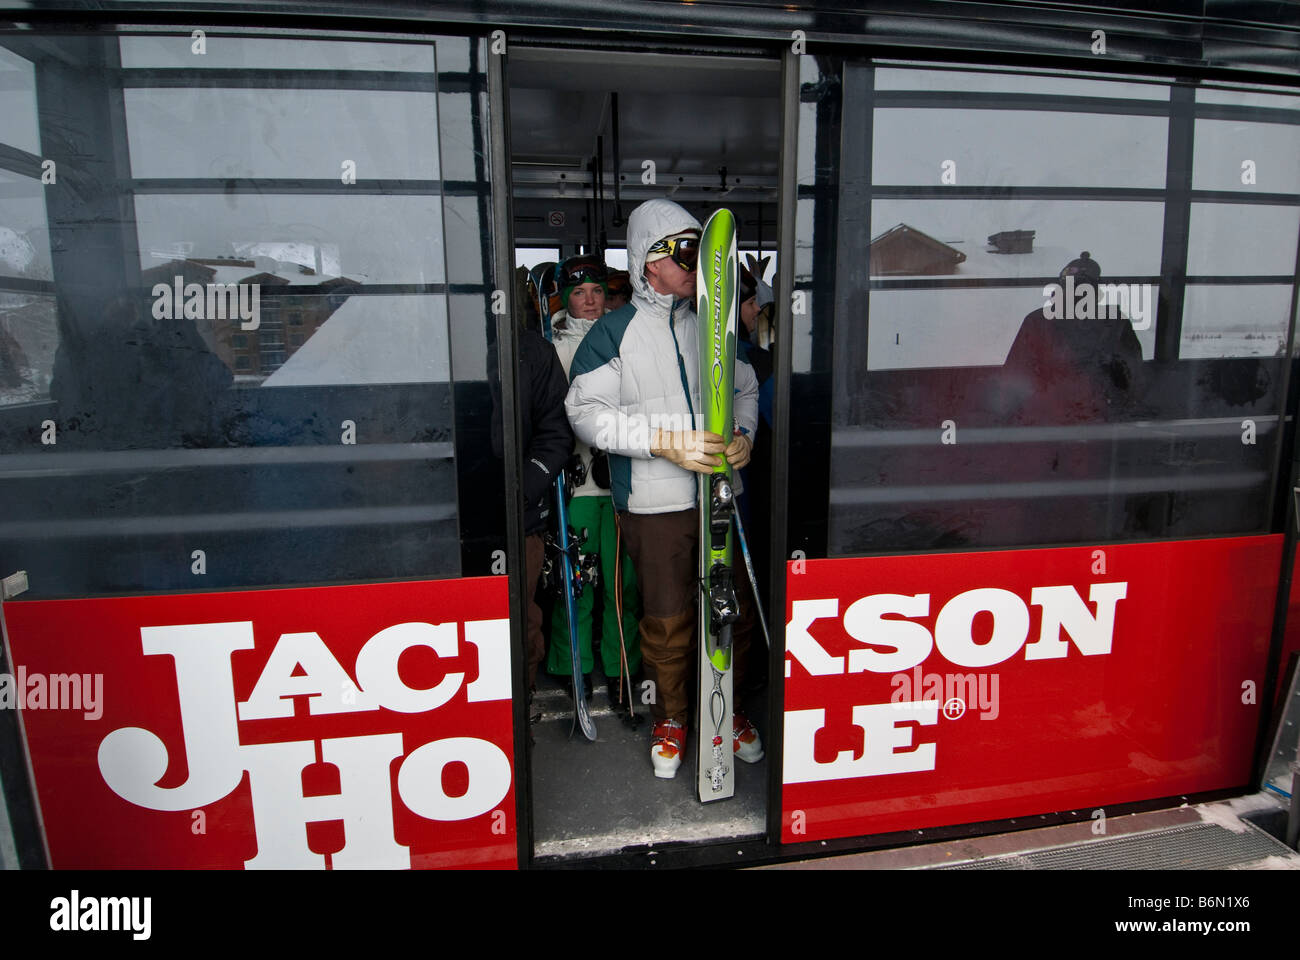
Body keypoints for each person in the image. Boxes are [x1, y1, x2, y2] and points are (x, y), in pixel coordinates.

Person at [565, 198, 763, 779]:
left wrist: (744, 434)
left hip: (718, 497)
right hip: (656, 507)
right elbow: (584, 412)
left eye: (699, 250)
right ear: (648, 262)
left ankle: (730, 710)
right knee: (669, 618)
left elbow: (746, 387)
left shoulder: (713, 325)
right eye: (683, 251)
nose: (695, 262)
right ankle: (673, 715)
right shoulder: (614, 332)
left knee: (734, 612)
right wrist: (662, 440)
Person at [546, 254, 643, 709]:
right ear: (566, 298)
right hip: (578, 483)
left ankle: (624, 664)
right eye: (580, 293)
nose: (589, 301)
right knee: (577, 582)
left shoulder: (627, 339)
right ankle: (574, 667)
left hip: (624, 479)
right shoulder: (554, 346)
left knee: (622, 583)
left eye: (597, 292)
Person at [488, 288, 575, 738]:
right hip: (454, 520)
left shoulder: (533, 352)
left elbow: (556, 432)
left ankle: (518, 715)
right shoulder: (447, 348)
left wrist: (524, 487)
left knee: (521, 620)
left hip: (518, 518)